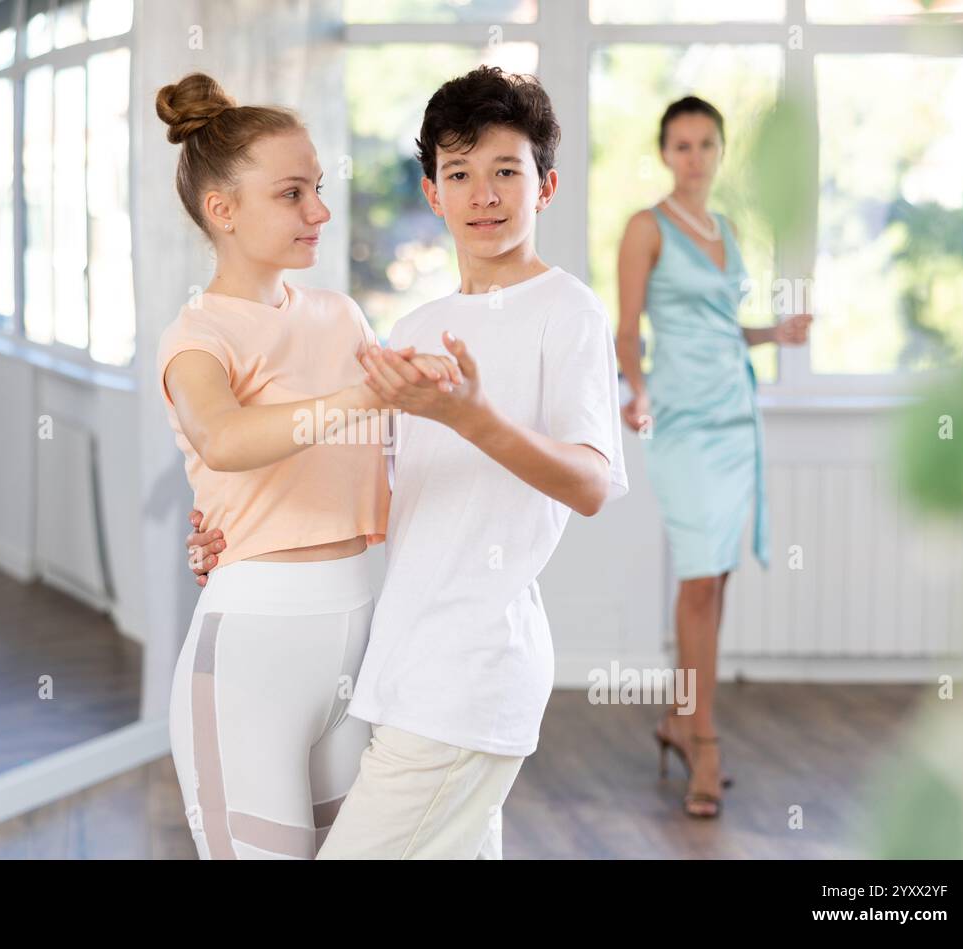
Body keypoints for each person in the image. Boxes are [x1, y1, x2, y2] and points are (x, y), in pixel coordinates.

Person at [190, 66, 629, 859]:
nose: (484, 195)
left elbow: (593, 484)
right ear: (432, 193)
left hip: (468, 676)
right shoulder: (417, 327)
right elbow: (373, 485)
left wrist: (474, 416)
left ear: (547, 185)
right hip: (396, 668)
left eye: (507, 171)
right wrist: (231, 531)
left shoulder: (567, 312)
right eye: (459, 174)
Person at [154, 72, 458, 860]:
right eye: (293, 193)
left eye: (317, 188)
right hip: (252, 656)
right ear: (223, 211)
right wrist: (361, 396)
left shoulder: (339, 315)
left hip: (361, 640)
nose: (319, 210)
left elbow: (396, 455)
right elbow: (223, 439)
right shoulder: (198, 340)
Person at [615, 96, 812, 817]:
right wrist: (634, 392)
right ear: (666, 154)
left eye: (706, 144)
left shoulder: (726, 228)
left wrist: (774, 334)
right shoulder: (647, 227)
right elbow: (627, 330)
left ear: (720, 151)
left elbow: (720, 327)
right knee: (699, 581)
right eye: (682, 145)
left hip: (736, 416)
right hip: (683, 420)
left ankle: (678, 717)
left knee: (717, 582)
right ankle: (703, 739)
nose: (695, 157)